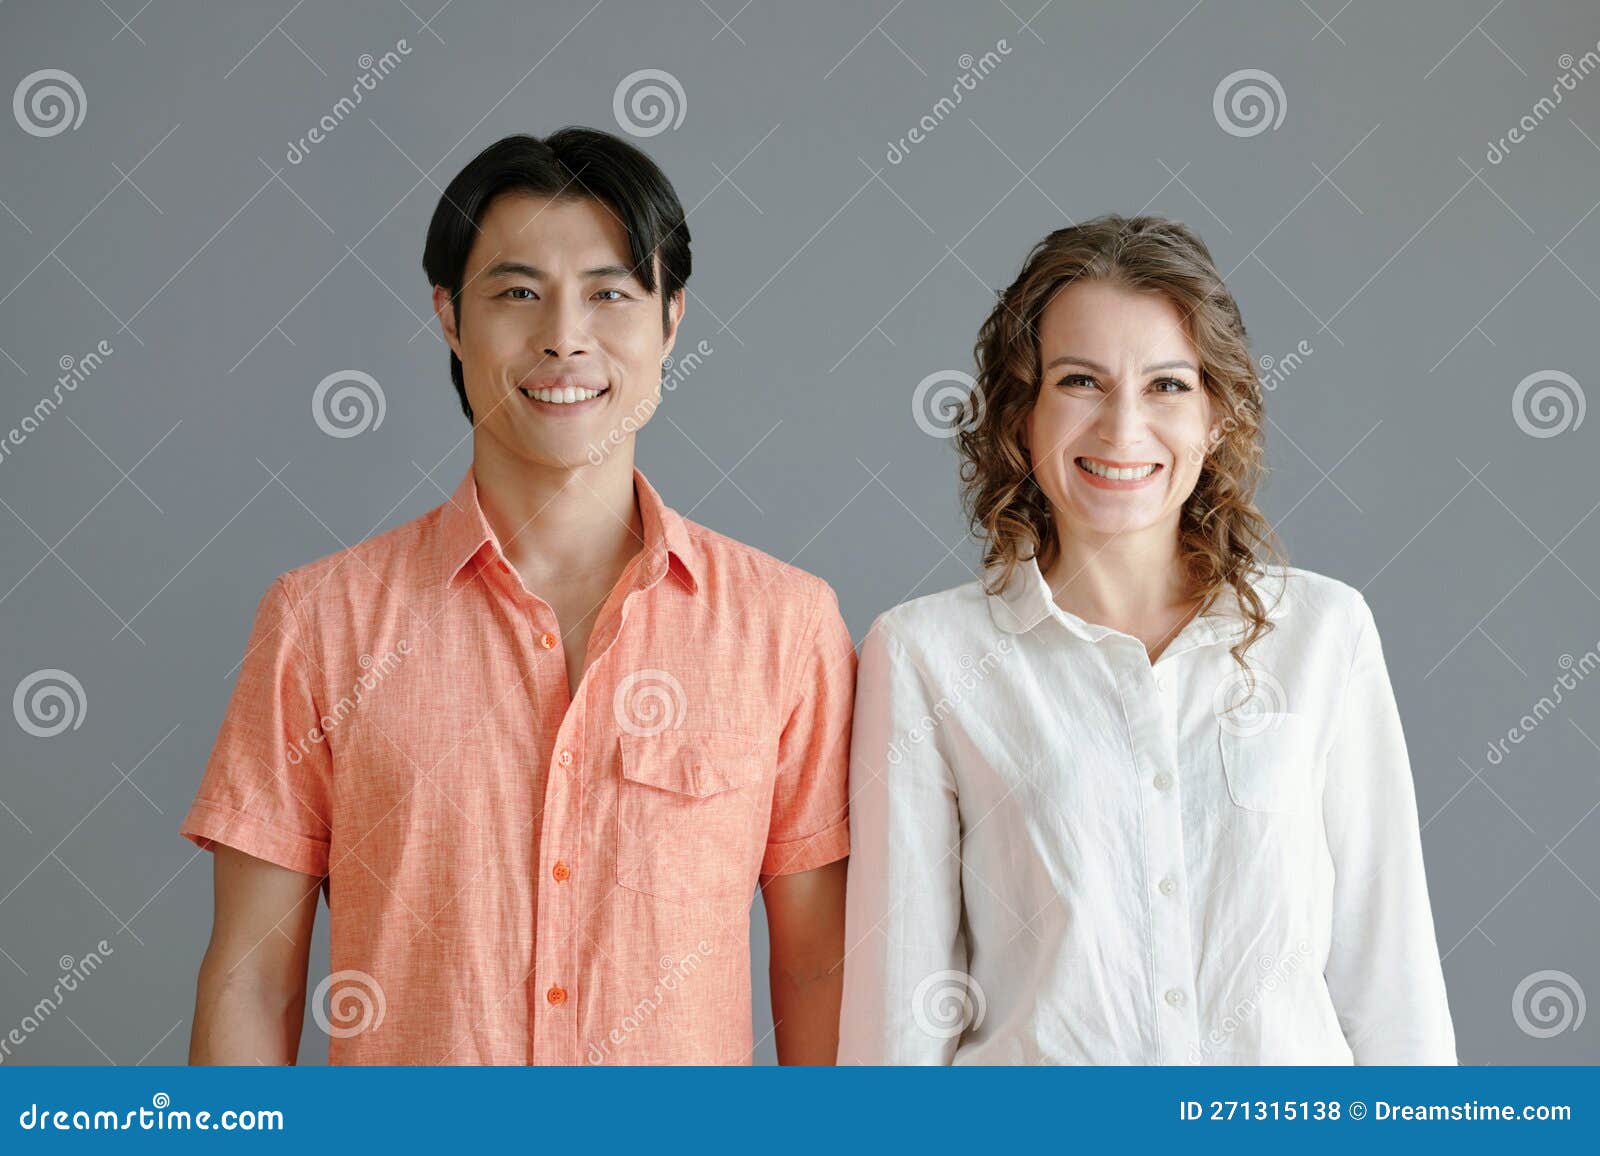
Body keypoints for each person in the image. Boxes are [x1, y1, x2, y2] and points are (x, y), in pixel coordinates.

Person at [181, 129, 854, 1065]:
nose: (564, 337)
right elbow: (256, 982)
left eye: (611, 293)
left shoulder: (787, 628)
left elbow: (819, 970)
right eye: (517, 293)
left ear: (672, 321)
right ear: (451, 319)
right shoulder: (321, 622)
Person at [838, 214, 1456, 1065]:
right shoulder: (925, 656)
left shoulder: (1324, 635)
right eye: (1080, 381)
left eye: (1167, 385)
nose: (1123, 430)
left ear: (1216, 415)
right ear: (1021, 413)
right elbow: (896, 1025)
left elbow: (1393, 991)